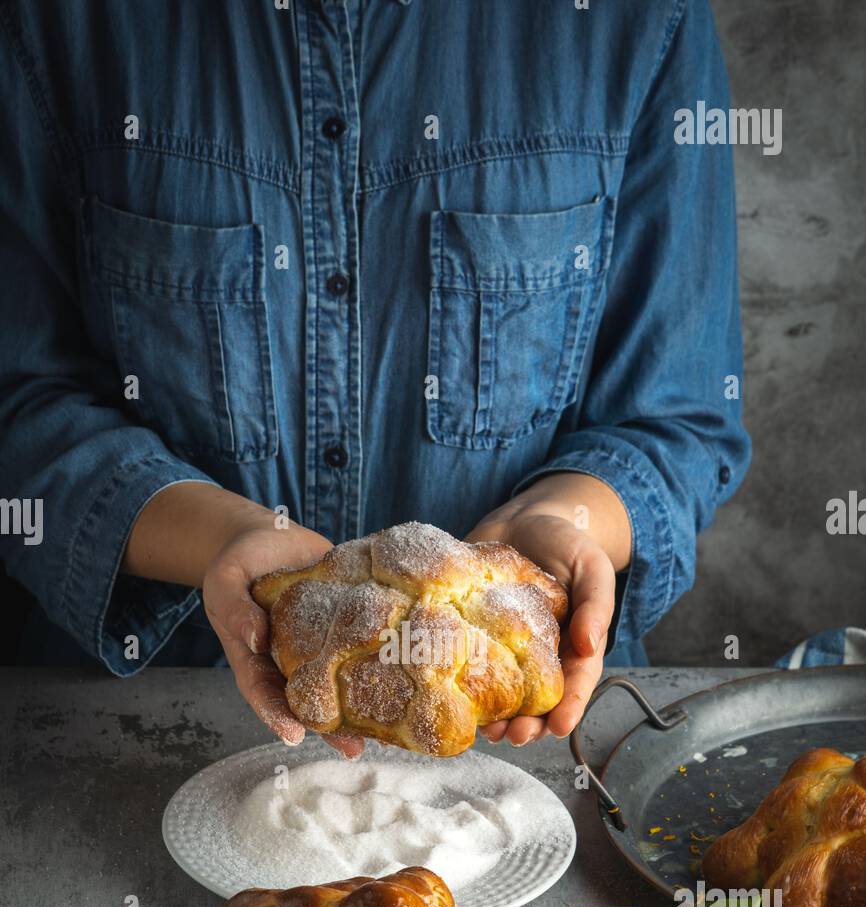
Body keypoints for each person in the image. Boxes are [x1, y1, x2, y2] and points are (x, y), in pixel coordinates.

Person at [0, 0, 749, 754]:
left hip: (540, 760)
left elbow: (679, 416)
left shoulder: (637, 20)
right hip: (139, 735)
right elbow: (21, 400)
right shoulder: (58, 24)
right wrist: (223, 537)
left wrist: (562, 518)